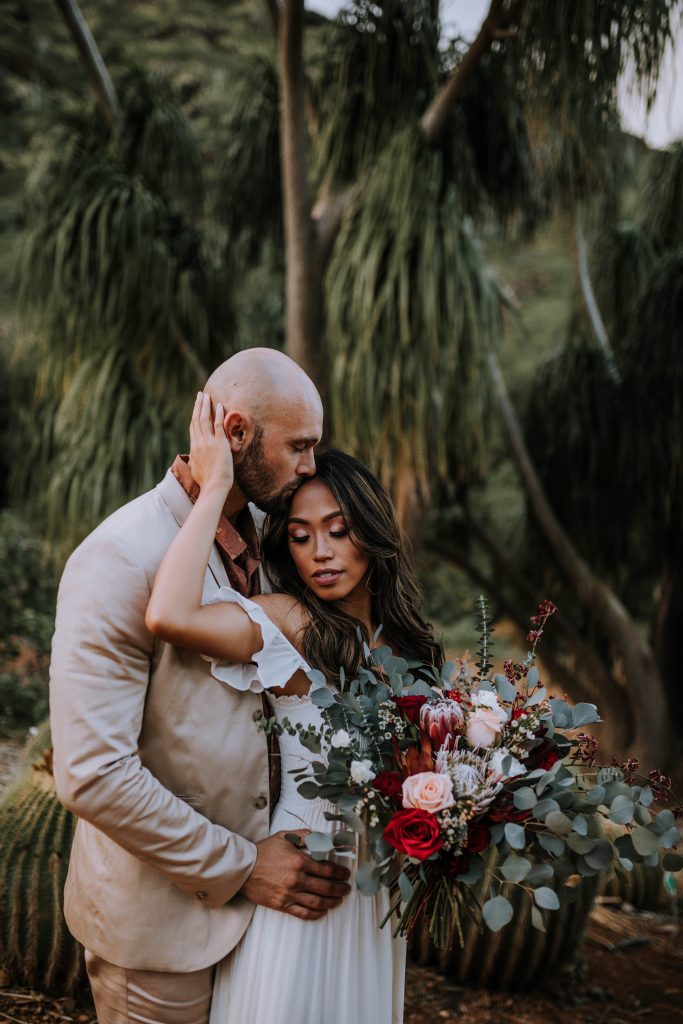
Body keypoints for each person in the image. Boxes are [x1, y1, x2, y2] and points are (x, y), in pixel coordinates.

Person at [50, 350, 352, 1024]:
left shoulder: (280, 543)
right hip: (163, 934)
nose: (310, 466)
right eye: (299, 445)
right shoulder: (119, 556)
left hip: (274, 934)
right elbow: (92, 773)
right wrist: (244, 866)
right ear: (235, 432)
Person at [145, 392, 443, 1024]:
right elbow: (169, 616)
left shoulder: (413, 647)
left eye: (338, 530)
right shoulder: (290, 621)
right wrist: (214, 487)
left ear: (372, 527)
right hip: (299, 882)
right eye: (301, 537)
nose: (320, 553)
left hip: (374, 891)